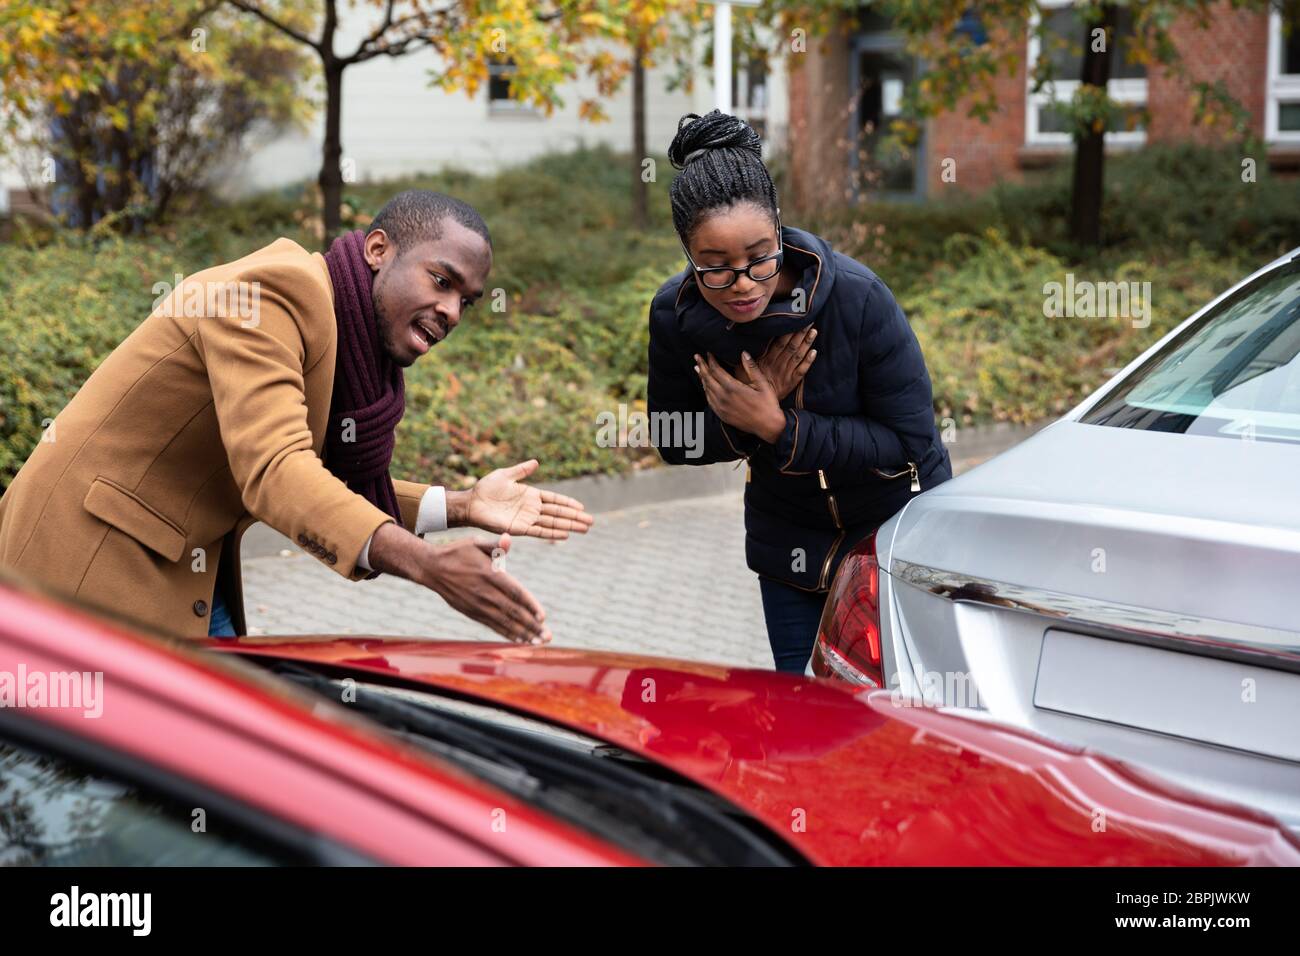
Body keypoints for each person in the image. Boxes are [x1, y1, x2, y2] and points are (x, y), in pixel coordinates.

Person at [0, 190, 592, 643]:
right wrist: (428, 566)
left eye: (467, 299)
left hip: (183, 575)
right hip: (85, 571)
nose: (452, 311)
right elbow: (277, 469)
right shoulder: (269, 295)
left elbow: (316, 479)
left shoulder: (346, 337)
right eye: (442, 280)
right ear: (378, 249)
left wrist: (463, 505)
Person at [647, 111, 952, 674]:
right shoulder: (675, 315)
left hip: (887, 538)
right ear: (688, 256)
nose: (743, 283)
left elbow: (908, 440)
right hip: (788, 545)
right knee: (804, 711)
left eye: (760, 257)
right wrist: (744, 415)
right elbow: (675, 439)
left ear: (780, 229)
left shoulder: (858, 300)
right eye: (716, 268)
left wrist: (779, 427)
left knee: (886, 710)